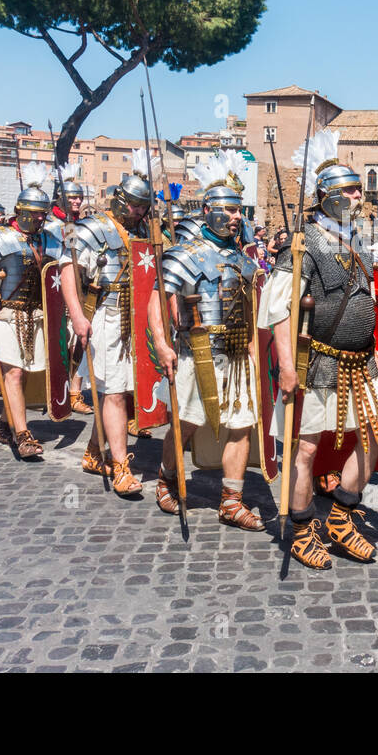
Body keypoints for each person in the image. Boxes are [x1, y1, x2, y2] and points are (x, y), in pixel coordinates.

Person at [260, 128, 378, 570]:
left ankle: (340, 515)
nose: (360, 196)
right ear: (330, 196)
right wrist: (285, 365)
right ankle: (302, 529)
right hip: (318, 361)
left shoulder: (355, 239)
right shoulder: (303, 246)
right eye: (352, 190)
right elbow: (279, 309)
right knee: (304, 448)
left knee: (377, 433)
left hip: (360, 363)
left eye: (359, 189)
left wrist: (375, 344)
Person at [150, 150, 266, 528]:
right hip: (197, 351)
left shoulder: (245, 259)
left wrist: (254, 353)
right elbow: (156, 301)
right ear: (210, 210)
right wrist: (163, 345)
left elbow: (252, 309)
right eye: (231, 211)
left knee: (242, 424)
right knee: (187, 422)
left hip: (237, 355)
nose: (237, 218)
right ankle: (167, 477)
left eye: (239, 211)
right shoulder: (183, 255)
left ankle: (232, 499)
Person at [61, 155, 151, 495]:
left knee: (124, 390)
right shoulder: (84, 227)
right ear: (122, 200)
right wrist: (77, 315)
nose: (141, 213)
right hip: (106, 316)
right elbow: (67, 270)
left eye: (145, 207)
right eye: (138, 207)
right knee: (112, 393)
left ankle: (93, 452)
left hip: (136, 318)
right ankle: (120, 467)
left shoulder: (144, 231)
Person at [0, 167, 62, 458]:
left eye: (45, 213)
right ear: (21, 212)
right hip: (6, 316)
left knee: (28, 374)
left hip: (37, 317)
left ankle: (6, 426)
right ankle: (23, 434)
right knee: (15, 374)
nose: (42, 219)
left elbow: (62, 272)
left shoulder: (49, 240)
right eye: (37, 213)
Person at [45, 164, 93, 417]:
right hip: (52, 291)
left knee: (78, 343)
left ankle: (74, 393)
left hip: (77, 288)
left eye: (79, 197)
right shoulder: (49, 224)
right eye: (72, 197)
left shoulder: (75, 225)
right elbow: (49, 260)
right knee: (56, 344)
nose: (76, 201)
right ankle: (54, 391)